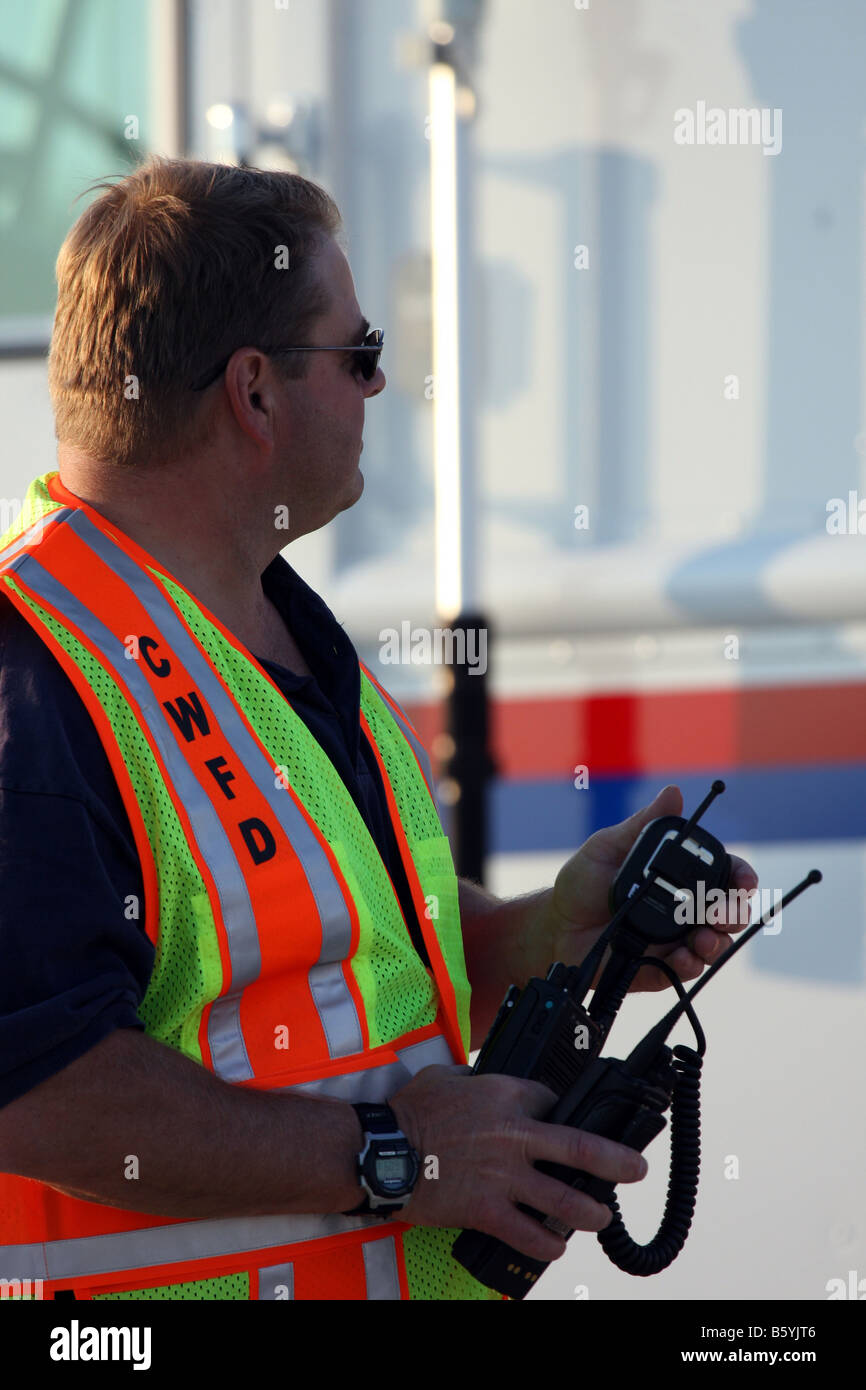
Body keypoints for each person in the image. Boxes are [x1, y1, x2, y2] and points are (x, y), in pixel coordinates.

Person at [0, 156, 757, 1301]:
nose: (379, 388)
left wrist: (549, 932)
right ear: (252, 392)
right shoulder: (35, 675)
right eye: (359, 356)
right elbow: (33, 1085)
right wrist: (396, 1155)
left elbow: (348, 988)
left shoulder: (273, 634)